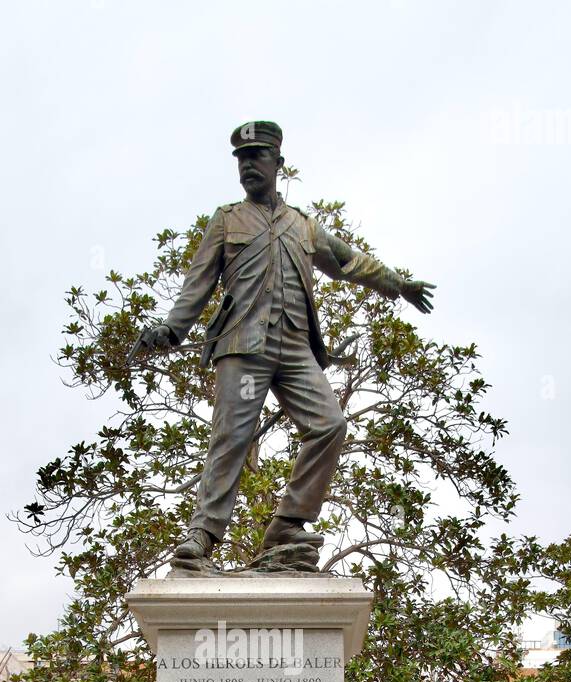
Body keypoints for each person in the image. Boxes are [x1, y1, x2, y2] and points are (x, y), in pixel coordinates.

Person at [134, 120, 434, 569]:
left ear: (278, 163)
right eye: (241, 159)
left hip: (294, 346)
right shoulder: (226, 220)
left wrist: (398, 283)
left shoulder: (304, 226)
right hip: (244, 345)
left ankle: (289, 523)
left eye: (256, 157)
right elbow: (196, 284)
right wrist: (172, 329)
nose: (247, 166)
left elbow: (351, 262)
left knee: (330, 425)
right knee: (231, 437)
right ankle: (203, 532)